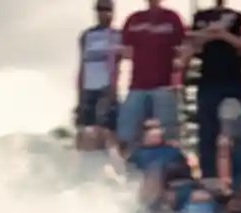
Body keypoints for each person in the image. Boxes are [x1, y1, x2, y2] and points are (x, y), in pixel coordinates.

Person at [187, 1, 241, 181]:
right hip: (207, 82)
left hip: (233, 83)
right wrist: (209, 34)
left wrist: (223, 35)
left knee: (235, 135)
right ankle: (210, 179)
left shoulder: (239, 18)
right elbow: (192, 43)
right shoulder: (200, 17)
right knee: (207, 133)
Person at [117, 0, 187, 147]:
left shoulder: (172, 18)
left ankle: (169, 166)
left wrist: (179, 79)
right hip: (137, 85)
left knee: (168, 135)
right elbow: (124, 51)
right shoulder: (134, 19)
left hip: (164, 86)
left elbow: (183, 48)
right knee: (127, 133)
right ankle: (131, 167)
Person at [76, 1, 123, 150]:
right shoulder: (87, 35)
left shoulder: (118, 35)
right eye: (101, 10)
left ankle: (111, 162)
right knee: (85, 128)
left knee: (108, 128)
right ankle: (83, 161)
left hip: (107, 87)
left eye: (108, 10)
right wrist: (80, 89)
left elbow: (119, 62)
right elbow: (82, 62)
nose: (105, 14)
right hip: (88, 87)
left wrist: (113, 88)